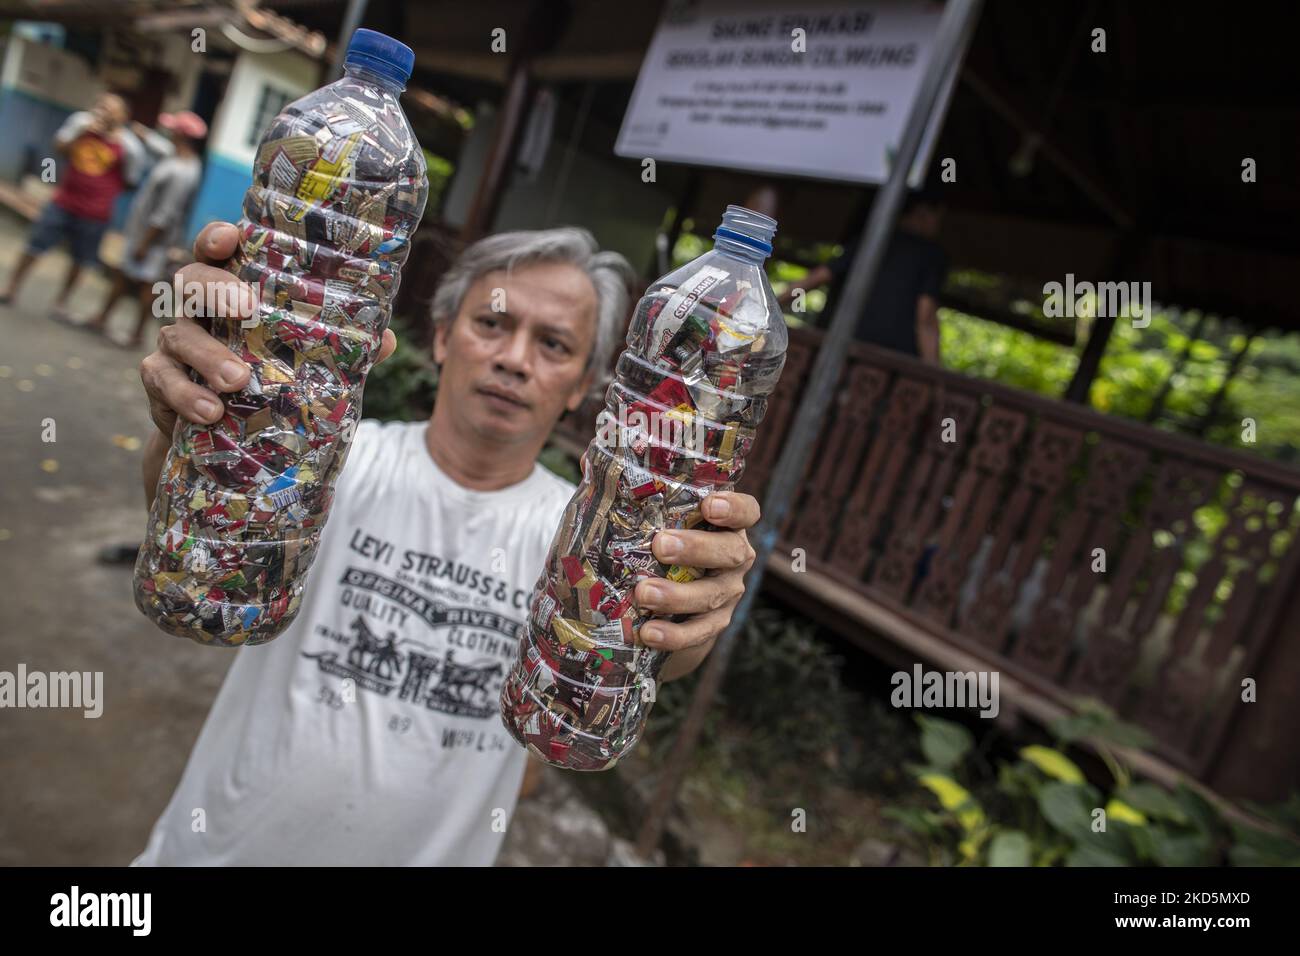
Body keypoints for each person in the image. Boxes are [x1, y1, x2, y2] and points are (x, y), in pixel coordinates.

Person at [130, 221, 761, 866]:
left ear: (582, 387)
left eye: (553, 344)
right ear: (439, 335)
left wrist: (692, 617)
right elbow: (192, 520)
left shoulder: (592, 539)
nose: (514, 359)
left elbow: (652, 652)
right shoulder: (324, 457)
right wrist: (191, 425)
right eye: (492, 324)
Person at [0, 93, 138, 317]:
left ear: (123, 116)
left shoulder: (129, 144)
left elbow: (131, 180)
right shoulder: (80, 123)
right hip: (63, 202)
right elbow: (58, 149)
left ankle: (61, 302)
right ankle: (10, 287)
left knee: (81, 260)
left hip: (96, 212)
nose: (104, 111)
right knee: (35, 245)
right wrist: (82, 133)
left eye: (111, 109)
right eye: (101, 106)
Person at [779, 189, 948, 363]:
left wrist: (772, 308)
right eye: (939, 218)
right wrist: (933, 374)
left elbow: (816, 278)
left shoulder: (871, 240)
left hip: (834, 350)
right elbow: (925, 315)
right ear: (923, 212)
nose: (938, 226)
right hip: (885, 365)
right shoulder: (931, 255)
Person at [87, 110, 207, 347]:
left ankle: (137, 334)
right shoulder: (175, 157)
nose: (168, 133)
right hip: (142, 233)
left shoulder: (183, 172)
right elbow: (156, 144)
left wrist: (145, 243)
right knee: (124, 274)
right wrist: (141, 133)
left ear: (180, 136)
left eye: (173, 130)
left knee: (148, 285)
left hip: (154, 239)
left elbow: (166, 212)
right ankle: (102, 317)